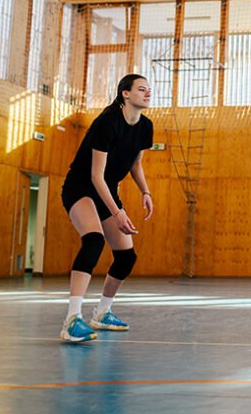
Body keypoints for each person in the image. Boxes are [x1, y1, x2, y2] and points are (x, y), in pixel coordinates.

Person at [59, 74, 154, 343]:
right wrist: (117, 212)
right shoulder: (107, 123)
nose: (148, 94)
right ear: (125, 93)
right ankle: (71, 319)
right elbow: (95, 176)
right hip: (81, 188)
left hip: (106, 191)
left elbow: (135, 164)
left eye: (150, 90)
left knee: (126, 257)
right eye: (141, 89)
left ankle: (102, 312)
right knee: (93, 240)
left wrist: (145, 191)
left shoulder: (145, 126)